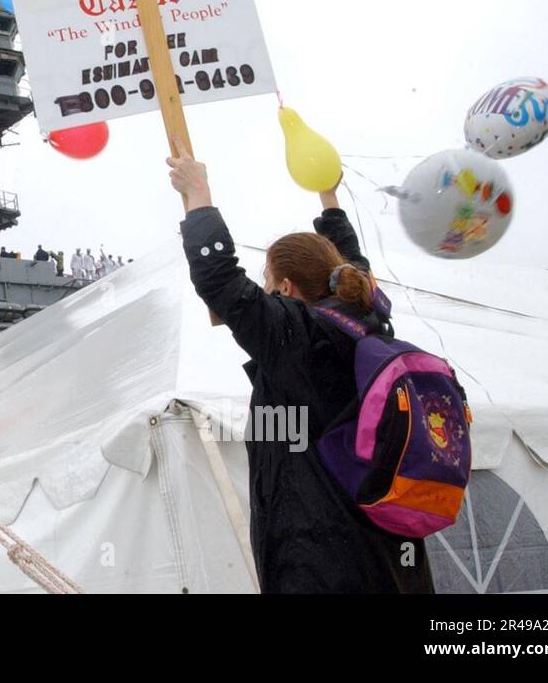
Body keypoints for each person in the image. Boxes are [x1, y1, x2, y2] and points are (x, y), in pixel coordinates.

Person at [166, 137, 434, 595]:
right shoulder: (369, 321)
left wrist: (198, 195)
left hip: (320, 561)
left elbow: (220, 279)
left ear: (287, 288)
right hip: (392, 558)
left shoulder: (296, 338)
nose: (263, 290)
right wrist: (329, 198)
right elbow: (353, 265)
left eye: (267, 280)